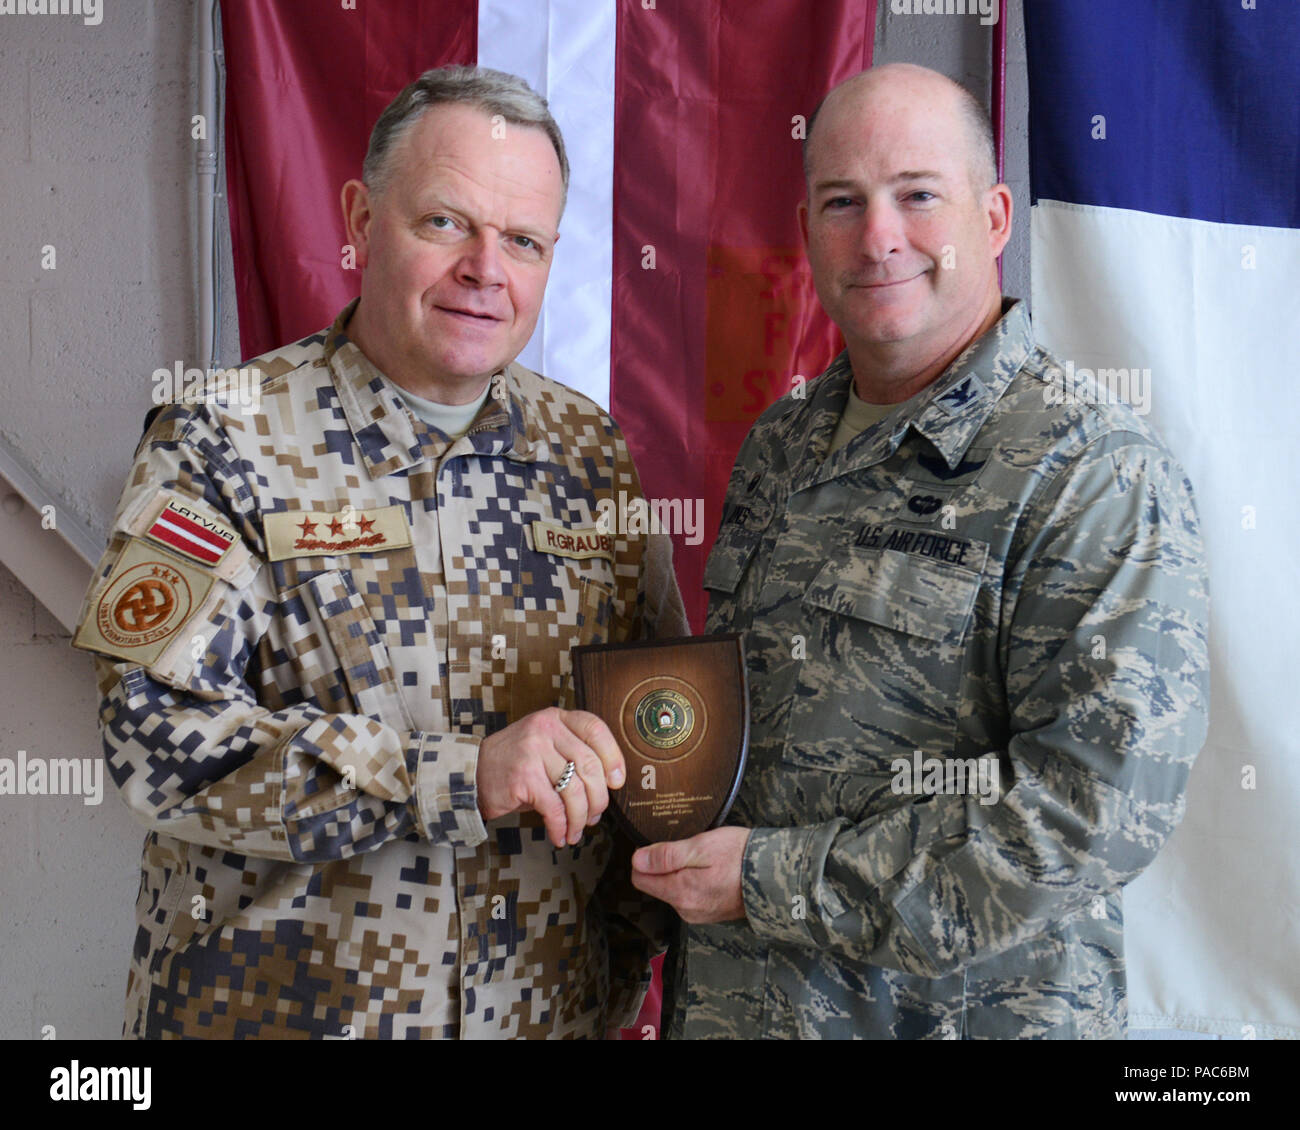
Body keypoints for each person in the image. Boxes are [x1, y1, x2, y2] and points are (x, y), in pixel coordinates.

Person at [71, 65, 686, 1039]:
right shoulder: (219, 435)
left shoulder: (589, 455)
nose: (487, 267)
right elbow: (155, 735)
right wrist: (459, 775)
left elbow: (656, 747)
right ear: (360, 220)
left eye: (522, 240)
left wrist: (623, 960)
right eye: (446, 222)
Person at [631, 63, 1210, 1039]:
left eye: (916, 196)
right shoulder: (783, 445)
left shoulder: (1089, 472)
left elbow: (1086, 818)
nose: (878, 236)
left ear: (991, 217)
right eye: (841, 202)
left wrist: (769, 880)